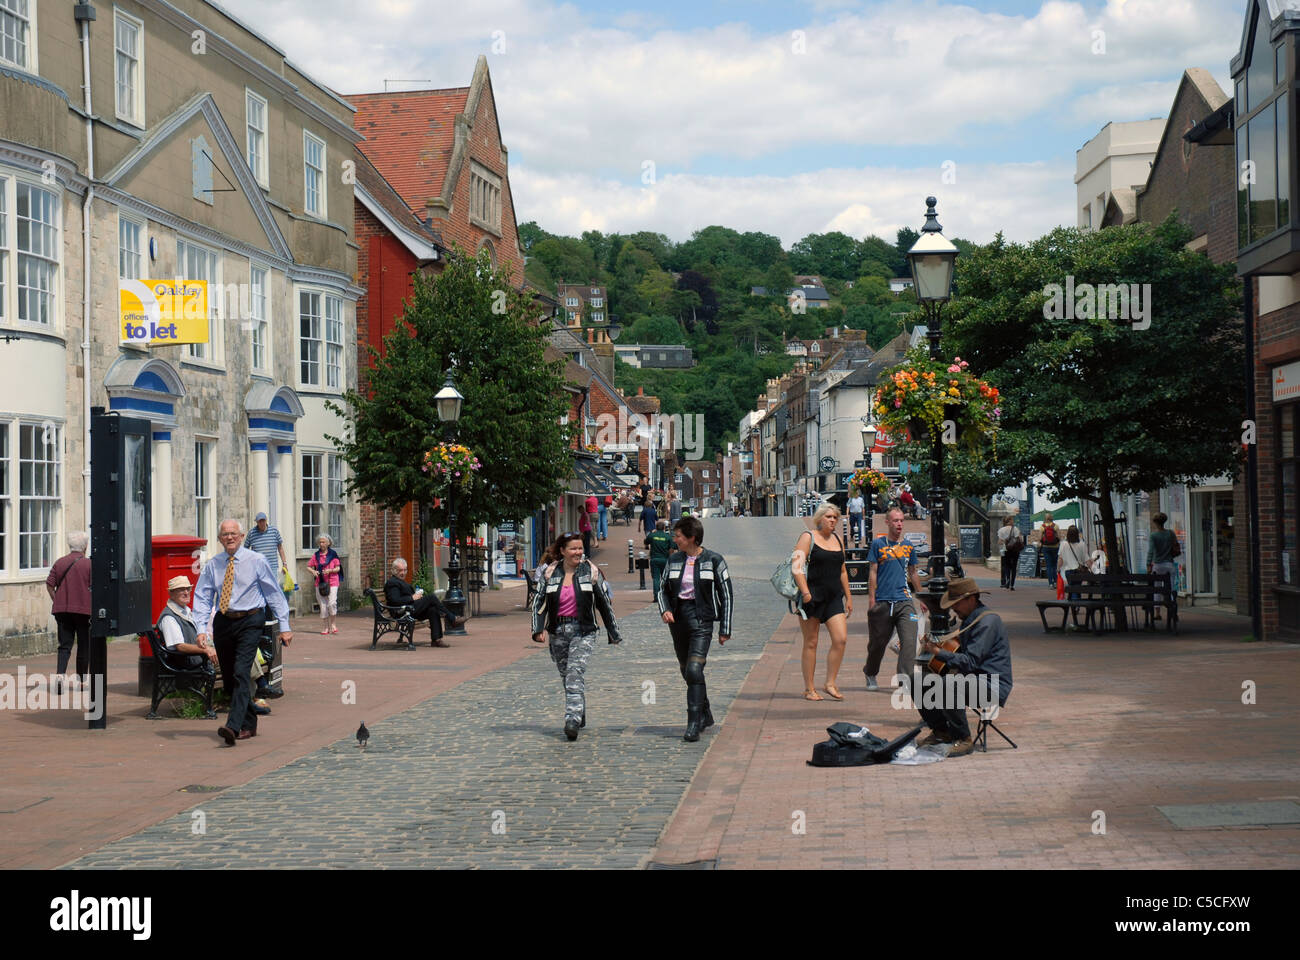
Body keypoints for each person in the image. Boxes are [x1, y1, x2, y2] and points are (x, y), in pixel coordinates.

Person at [192, 519, 293, 746]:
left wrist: (284, 626)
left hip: (251, 618)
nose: (229, 538)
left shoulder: (256, 560)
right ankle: (250, 722)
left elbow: (273, 593)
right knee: (229, 679)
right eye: (225, 534)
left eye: (233, 534)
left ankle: (233, 727)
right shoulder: (213, 565)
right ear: (219, 539)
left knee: (241, 672)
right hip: (224, 621)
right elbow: (202, 597)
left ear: (241, 536)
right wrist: (200, 629)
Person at [530, 533, 622, 740]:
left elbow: (603, 603)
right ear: (562, 550)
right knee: (567, 676)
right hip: (558, 631)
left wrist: (613, 631)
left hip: (584, 631)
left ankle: (572, 718)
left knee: (574, 672)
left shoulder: (590, 571)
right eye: (573, 549)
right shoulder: (550, 573)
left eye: (580, 548)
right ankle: (579, 710)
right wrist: (538, 629)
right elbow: (539, 603)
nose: (578, 553)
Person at [657, 516, 734, 742]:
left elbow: (726, 595)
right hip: (678, 621)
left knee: (693, 670)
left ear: (691, 537)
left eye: (678, 536)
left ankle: (693, 722)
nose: (675, 539)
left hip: (702, 620)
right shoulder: (674, 560)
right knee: (687, 671)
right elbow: (662, 589)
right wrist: (665, 610)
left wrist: (725, 628)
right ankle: (706, 712)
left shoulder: (714, 560)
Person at [917, 577, 1013, 757]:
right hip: (972, 679)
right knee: (917, 682)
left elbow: (970, 662)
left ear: (971, 599)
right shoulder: (970, 619)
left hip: (992, 685)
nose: (953, 608)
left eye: (956, 603)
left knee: (949, 683)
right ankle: (941, 732)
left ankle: (963, 739)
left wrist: (939, 653)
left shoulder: (987, 622)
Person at [791, 504, 852, 701]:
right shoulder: (807, 537)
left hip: (834, 597)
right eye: (828, 516)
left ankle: (830, 683)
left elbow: (842, 570)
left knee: (840, 639)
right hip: (812, 597)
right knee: (811, 642)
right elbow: (796, 567)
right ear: (819, 518)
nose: (832, 520)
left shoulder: (838, 540)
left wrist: (849, 597)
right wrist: (805, 592)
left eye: (835, 517)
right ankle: (809, 688)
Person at [863, 507, 924, 693]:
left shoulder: (908, 546)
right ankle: (870, 672)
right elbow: (872, 572)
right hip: (883, 601)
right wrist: (872, 599)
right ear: (888, 522)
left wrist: (921, 596)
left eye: (901, 520)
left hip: (904, 600)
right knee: (877, 643)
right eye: (895, 520)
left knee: (910, 641)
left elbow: (913, 572)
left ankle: (904, 680)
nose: (899, 524)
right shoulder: (878, 544)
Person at [385, 558, 465, 647]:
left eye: (405, 570)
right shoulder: (392, 583)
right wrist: (412, 597)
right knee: (431, 598)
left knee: (433, 609)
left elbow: (404, 597)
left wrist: (416, 596)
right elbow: (395, 600)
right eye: (400, 570)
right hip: (401, 611)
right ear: (394, 570)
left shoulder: (399, 581)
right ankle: (452, 618)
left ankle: (436, 640)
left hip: (409, 609)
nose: (403, 573)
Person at [47, 531, 92, 689]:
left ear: (70, 545)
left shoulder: (59, 563)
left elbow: (50, 584)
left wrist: (56, 599)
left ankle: (60, 676)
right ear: (85, 546)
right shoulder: (89, 564)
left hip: (62, 610)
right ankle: (82, 681)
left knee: (64, 645)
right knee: (84, 645)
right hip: (83, 611)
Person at [156, 576, 218, 671]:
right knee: (238, 665)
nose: (186, 593)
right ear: (171, 593)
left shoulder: (187, 611)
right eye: (181, 590)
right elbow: (180, 646)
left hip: (202, 661)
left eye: (188, 589)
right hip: (193, 666)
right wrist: (206, 649)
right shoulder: (169, 617)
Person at [245, 511, 290, 599]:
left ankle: (271, 611)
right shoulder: (251, 533)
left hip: (272, 566)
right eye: (259, 521)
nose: (261, 523)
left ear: (266, 520)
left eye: (263, 521)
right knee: (259, 591)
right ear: (256, 522)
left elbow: (280, 548)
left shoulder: (274, 531)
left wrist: (284, 563)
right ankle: (263, 611)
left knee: (272, 591)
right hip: (257, 567)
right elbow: (246, 549)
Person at [1147, 512, 1179, 618]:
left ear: (1155, 523)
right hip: (1169, 564)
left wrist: (1148, 564)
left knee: (1157, 589)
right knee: (1171, 587)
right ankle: (1173, 608)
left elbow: (1151, 551)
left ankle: (1157, 613)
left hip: (1158, 565)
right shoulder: (1170, 533)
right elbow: (1175, 546)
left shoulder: (1153, 535)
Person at [307, 535, 341, 635]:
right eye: (320, 542)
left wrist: (330, 570)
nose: (321, 544)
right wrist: (313, 572)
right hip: (320, 583)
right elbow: (308, 567)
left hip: (333, 581)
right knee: (323, 605)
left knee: (332, 603)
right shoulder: (316, 555)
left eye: (323, 542)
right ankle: (326, 627)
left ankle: (333, 624)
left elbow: (338, 568)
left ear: (328, 543)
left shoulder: (333, 554)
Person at [645, 519, 674, 602]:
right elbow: (672, 548)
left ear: (656, 528)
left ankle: (656, 596)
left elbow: (646, 542)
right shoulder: (667, 537)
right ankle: (666, 596)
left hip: (654, 559)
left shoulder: (652, 535)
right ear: (664, 528)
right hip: (665, 560)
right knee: (665, 578)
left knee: (656, 579)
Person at [1057, 525, 1088, 600]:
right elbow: (1086, 559)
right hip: (1079, 571)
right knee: (1077, 587)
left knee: (1072, 588)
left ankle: (1074, 603)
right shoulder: (1082, 544)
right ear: (1077, 534)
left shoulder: (1063, 544)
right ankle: (1076, 602)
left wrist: (1058, 569)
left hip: (1068, 571)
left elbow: (1060, 559)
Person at [997, 516, 1024, 590]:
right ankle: (1012, 585)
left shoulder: (1001, 530)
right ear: (1010, 521)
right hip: (1015, 550)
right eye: (1012, 520)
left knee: (1007, 566)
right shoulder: (1015, 529)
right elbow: (1020, 539)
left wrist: (1004, 542)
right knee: (1014, 567)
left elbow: (999, 542)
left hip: (1006, 550)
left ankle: (1008, 580)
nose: (1013, 521)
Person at [1040, 512, 1060, 587]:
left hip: (1046, 547)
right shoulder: (1055, 526)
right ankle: (1055, 582)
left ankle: (1050, 583)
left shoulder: (1042, 527)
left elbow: (1039, 538)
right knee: (1054, 565)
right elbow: (1059, 537)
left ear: (1045, 518)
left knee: (1048, 566)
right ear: (1051, 518)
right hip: (1055, 547)